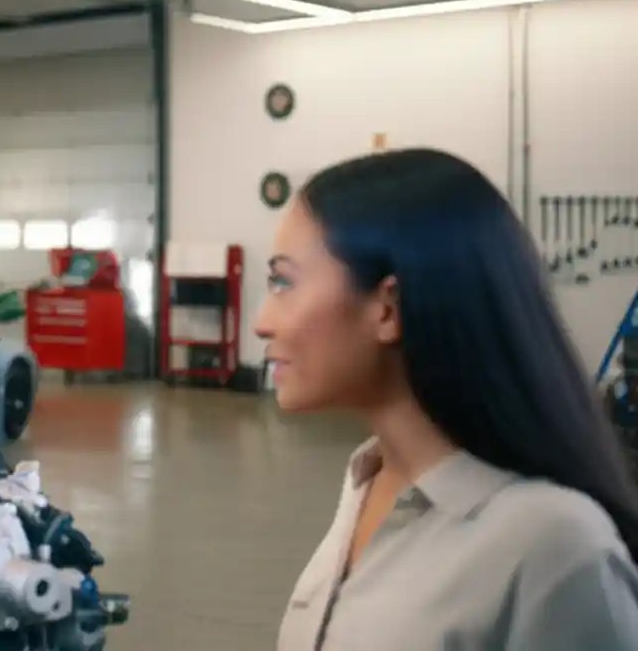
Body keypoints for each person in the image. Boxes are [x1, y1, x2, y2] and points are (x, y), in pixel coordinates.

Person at [256, 148, 638, 650]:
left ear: (388, 307)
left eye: (284, 281)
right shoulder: (369, 482)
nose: (263, 320)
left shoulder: (555, 547)